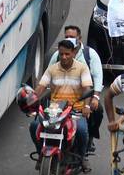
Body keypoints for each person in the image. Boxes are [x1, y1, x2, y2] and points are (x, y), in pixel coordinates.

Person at [32, 38, 93, 166]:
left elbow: (87, 88)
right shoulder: (52, 69)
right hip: (54, 111)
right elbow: (41, 87)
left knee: (82, 131)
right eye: (61, 54)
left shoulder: (82, 68)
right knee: (34, 127)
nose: (64, 57)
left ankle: (81, 159)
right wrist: (31, 101)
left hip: (75, 111)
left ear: (74, 53)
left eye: (67, 54)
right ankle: (41, 155)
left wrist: (86, 106)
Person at [63, 24, 103, 148]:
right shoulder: (59, 54)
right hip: (63, 96)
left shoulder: (90, 55)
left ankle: (88, 142)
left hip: (85, 95)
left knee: (97, 110)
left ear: (79, 39)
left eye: (72, 37)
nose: (69, 39)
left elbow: (97, 78)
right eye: (66, 37)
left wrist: (95, 98)